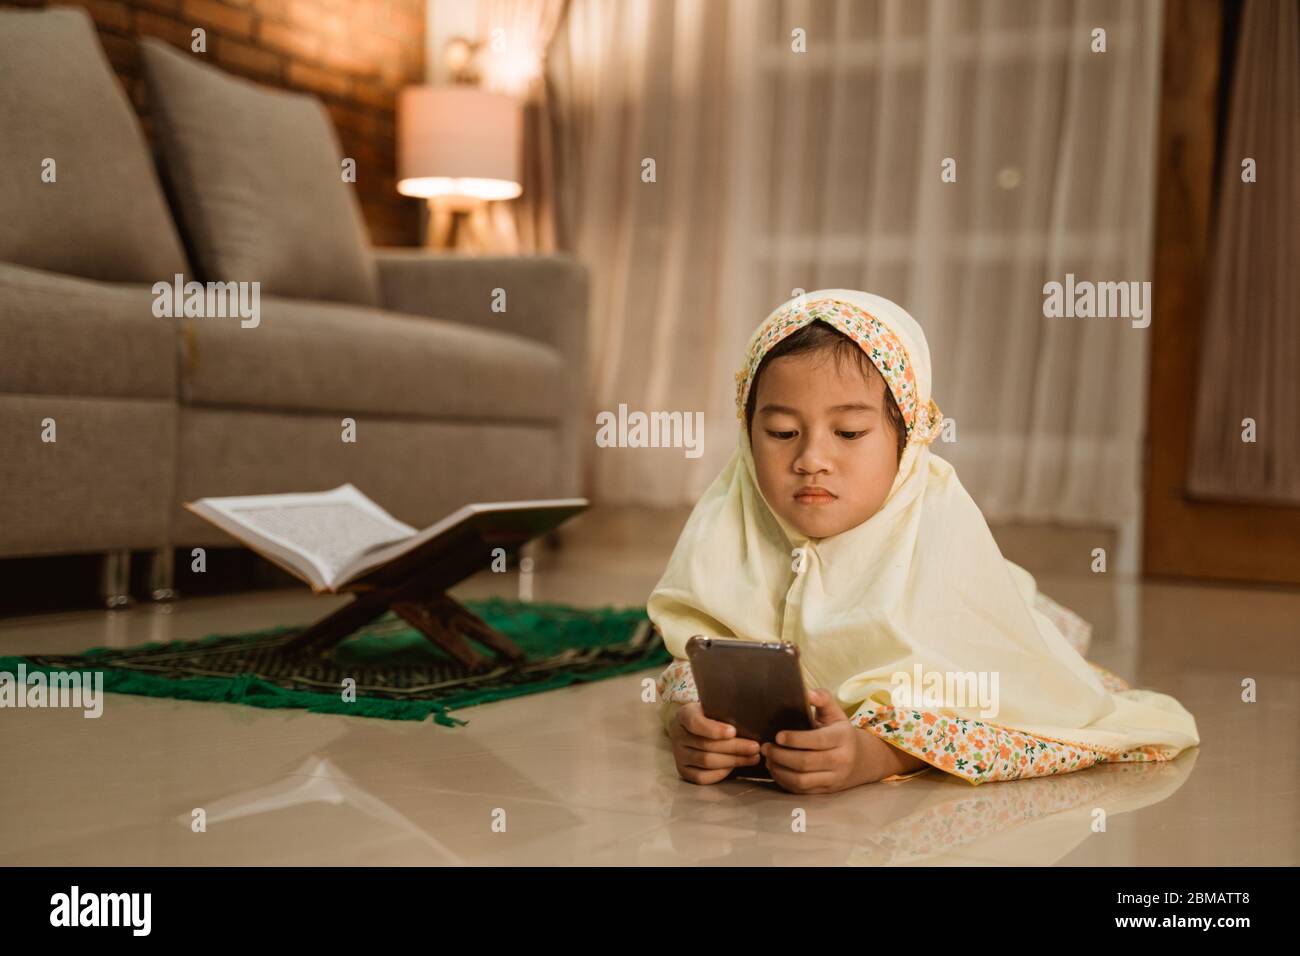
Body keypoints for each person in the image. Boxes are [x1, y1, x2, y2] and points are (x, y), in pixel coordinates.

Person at [648, 289, 1199, 792]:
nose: (811, 459)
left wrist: (879, 752)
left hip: (980, 604)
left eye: (850, 433)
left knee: (1035, 631)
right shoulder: (728, 524)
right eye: (782, 433)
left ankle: (1039, 610)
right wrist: (693, 724)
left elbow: (990, 704)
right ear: (747, 437)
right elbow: (691, 657)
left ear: (907, 439)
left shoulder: (938, 539)